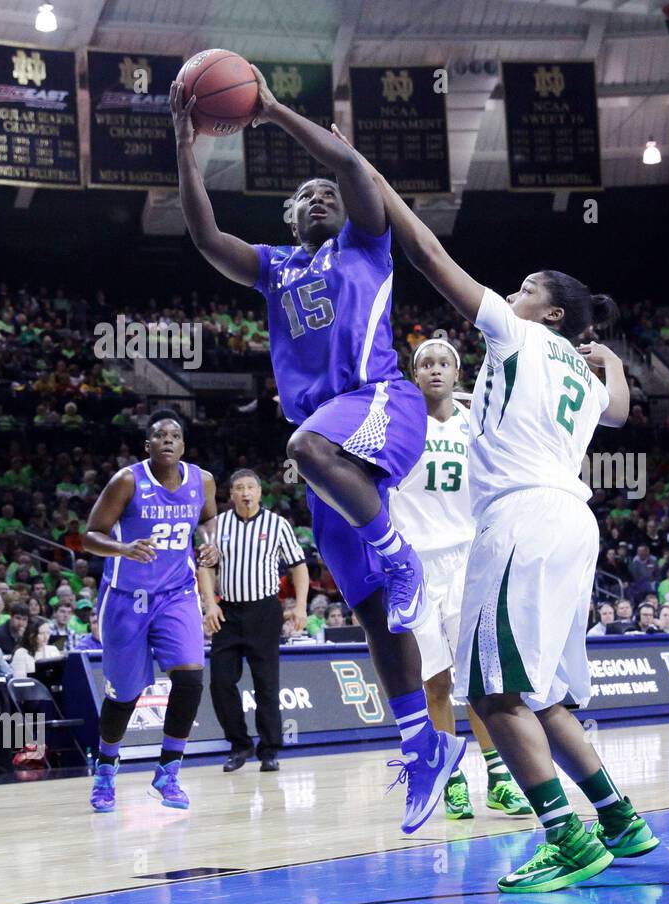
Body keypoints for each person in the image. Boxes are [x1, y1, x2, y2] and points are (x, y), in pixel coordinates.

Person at [336, 125, 657, 892]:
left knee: (492, 693)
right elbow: (618, 410)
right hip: (573, 524)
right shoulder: (583, 374)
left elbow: (431, 260)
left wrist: (376, 184)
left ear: (547, 315)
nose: (510, 296)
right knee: (541, 693)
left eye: (524, 290)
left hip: (518, 521)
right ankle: (618, 817)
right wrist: (606, 354)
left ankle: (566, 836)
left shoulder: (518, 337)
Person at [171, 73, 463, 832]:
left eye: (325, 191)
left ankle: (399, 553)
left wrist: (268, 110)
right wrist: (185, 145)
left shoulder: (367, 246)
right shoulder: (275, 268)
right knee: (371, 615)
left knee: (304, 446)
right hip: (334, 449)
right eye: (306, 196)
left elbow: (356, 170)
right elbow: (204, 239)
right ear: (290, 216)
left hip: (379, 403)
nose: (321, 196)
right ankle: (423, 747)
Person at [387, 338, 532, 819]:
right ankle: (450, 778)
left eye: (443, 363)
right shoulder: (397, 422)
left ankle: (498, 777)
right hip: (415, 564)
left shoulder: (476, 423)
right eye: (425, 363)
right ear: (414, 374)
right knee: (436, 683)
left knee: (479, 681)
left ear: (456, 372)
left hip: (468, 558)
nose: (434, 370)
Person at [83, 409, 220, 812]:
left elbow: (208, 520)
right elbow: (90, 535)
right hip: (127, 597)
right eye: (159, 435)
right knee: (124, 694)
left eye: (174, 436)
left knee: (191, 677)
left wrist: (209, 543)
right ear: (148, 445)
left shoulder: (203, 481)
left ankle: (168, 772)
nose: (167, 440)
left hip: (177, 593)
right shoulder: (126, 481)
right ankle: (107, 767)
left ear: (183, 446)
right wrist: (122, 548)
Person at [200, 469, 309, 773]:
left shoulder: (278, 525)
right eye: (239, 488)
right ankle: (239, 744)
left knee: (266, 685)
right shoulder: (216, 526)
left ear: (260, 492)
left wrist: (300, 606)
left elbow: (298, 566)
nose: (245, 493)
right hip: (229, 612)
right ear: (230, 494)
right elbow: (206, 568)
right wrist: (210, 604)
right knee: (220, 682)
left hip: (264, 611)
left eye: (251, 487)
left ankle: (269, 749)